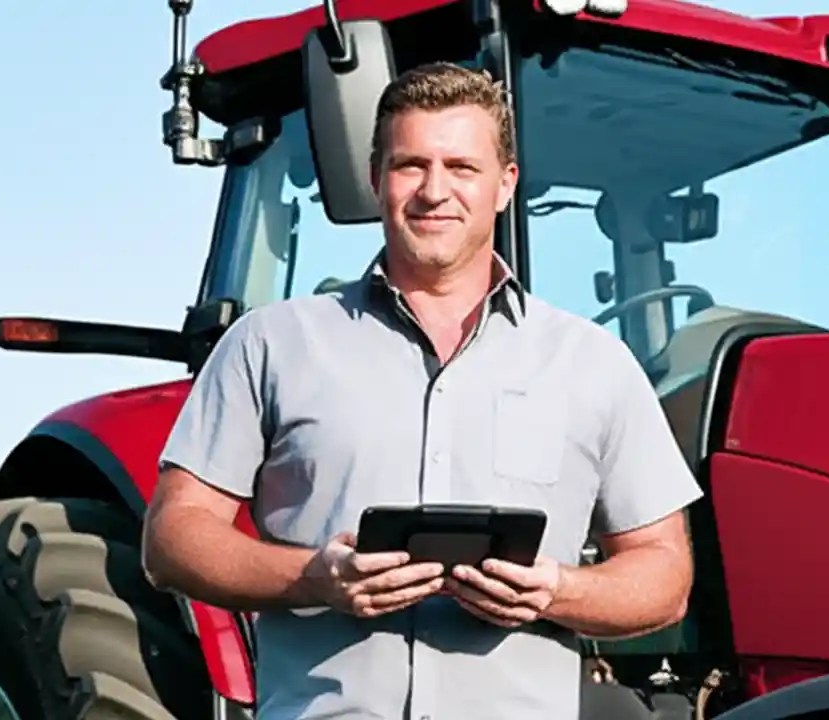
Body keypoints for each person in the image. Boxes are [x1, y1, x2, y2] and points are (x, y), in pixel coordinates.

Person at [141, 61, 703, 720]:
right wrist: (314, 577)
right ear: (375, 179)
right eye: (411, 165)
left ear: (505, 184)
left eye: (462, 167)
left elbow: (664, 575)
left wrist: (553, 590)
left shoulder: (594, 364)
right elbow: (173, 536)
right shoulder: (270, 345)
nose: (435, 191)